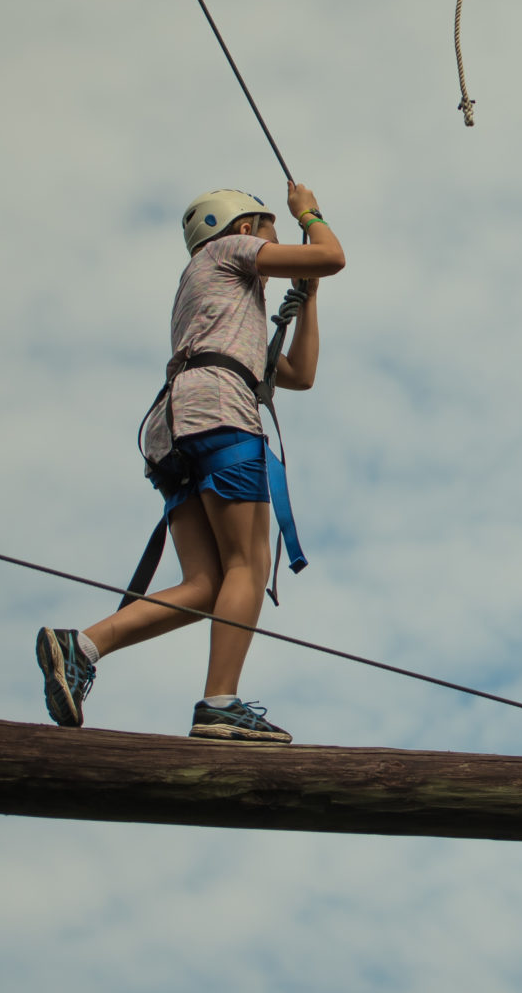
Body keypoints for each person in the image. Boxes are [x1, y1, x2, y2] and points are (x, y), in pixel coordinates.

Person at [35, 182, 346, 744]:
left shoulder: (223, 307)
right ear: (246, 229)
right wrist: (309, 213)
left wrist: (311, 299)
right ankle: (220, 703)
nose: (276, 246)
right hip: (218, 409)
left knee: (207, 586)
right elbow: (332, 254)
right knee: (247, 566)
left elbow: (300, 374)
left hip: (176, 421)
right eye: (272, 234)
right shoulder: (227, 250)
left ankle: (81, 647)